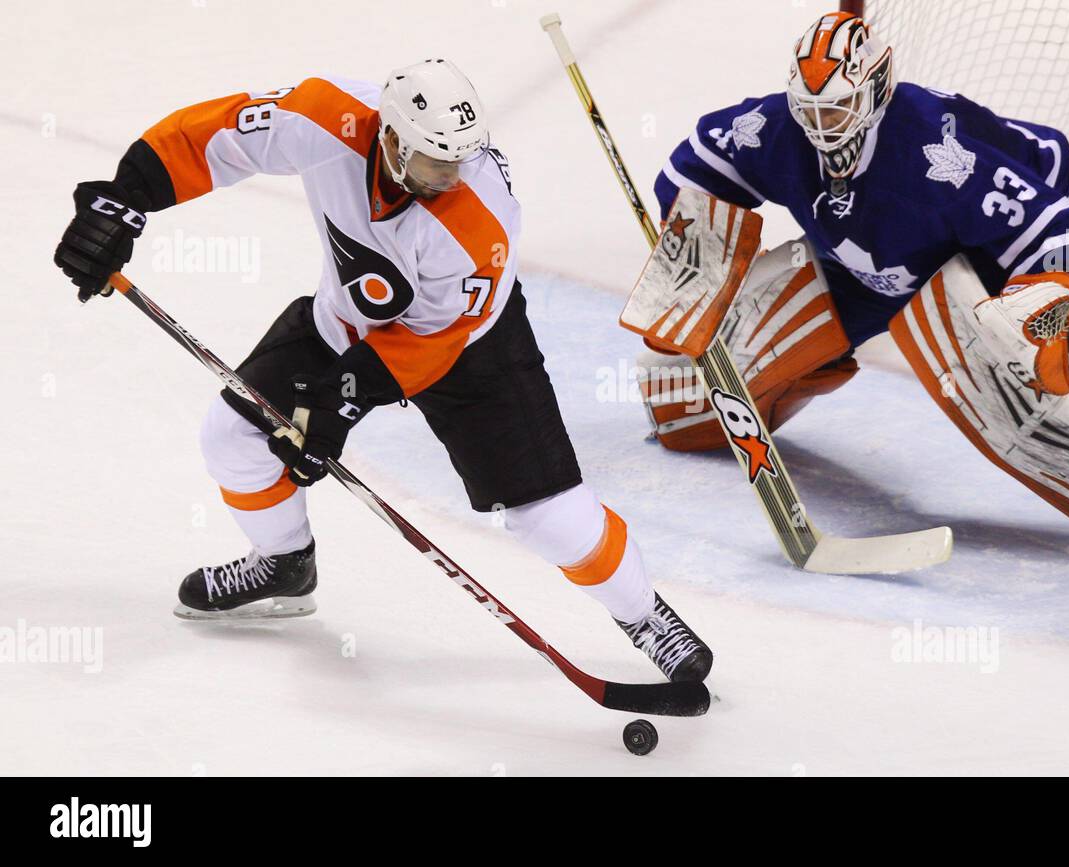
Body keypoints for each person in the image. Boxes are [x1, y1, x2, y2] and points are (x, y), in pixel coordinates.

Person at [53, 59, 711, 682]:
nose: (448, 174)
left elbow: (433, 338)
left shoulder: (477, 223)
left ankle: (644, 613)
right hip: (343, 318)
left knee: (552, 519)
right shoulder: (326, 116)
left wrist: (337, 402)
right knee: (231, 438)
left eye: (458, 159)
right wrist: (121, 201)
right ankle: (284, 564)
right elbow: (218, 136)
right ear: (390, 137)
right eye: (432, 159)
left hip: (471, 347)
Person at [642, 10, 1069, 583]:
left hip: (987, 255)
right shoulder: (779, 130)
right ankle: (730, 394)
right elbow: (695, 167)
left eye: (840, 107)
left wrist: (1056, 315)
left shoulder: (941, 157)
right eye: (810, 111)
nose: (823, 127)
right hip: (863, 256)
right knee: (688, 396)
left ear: (877, 88)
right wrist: (692, 258)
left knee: (1016, 384)